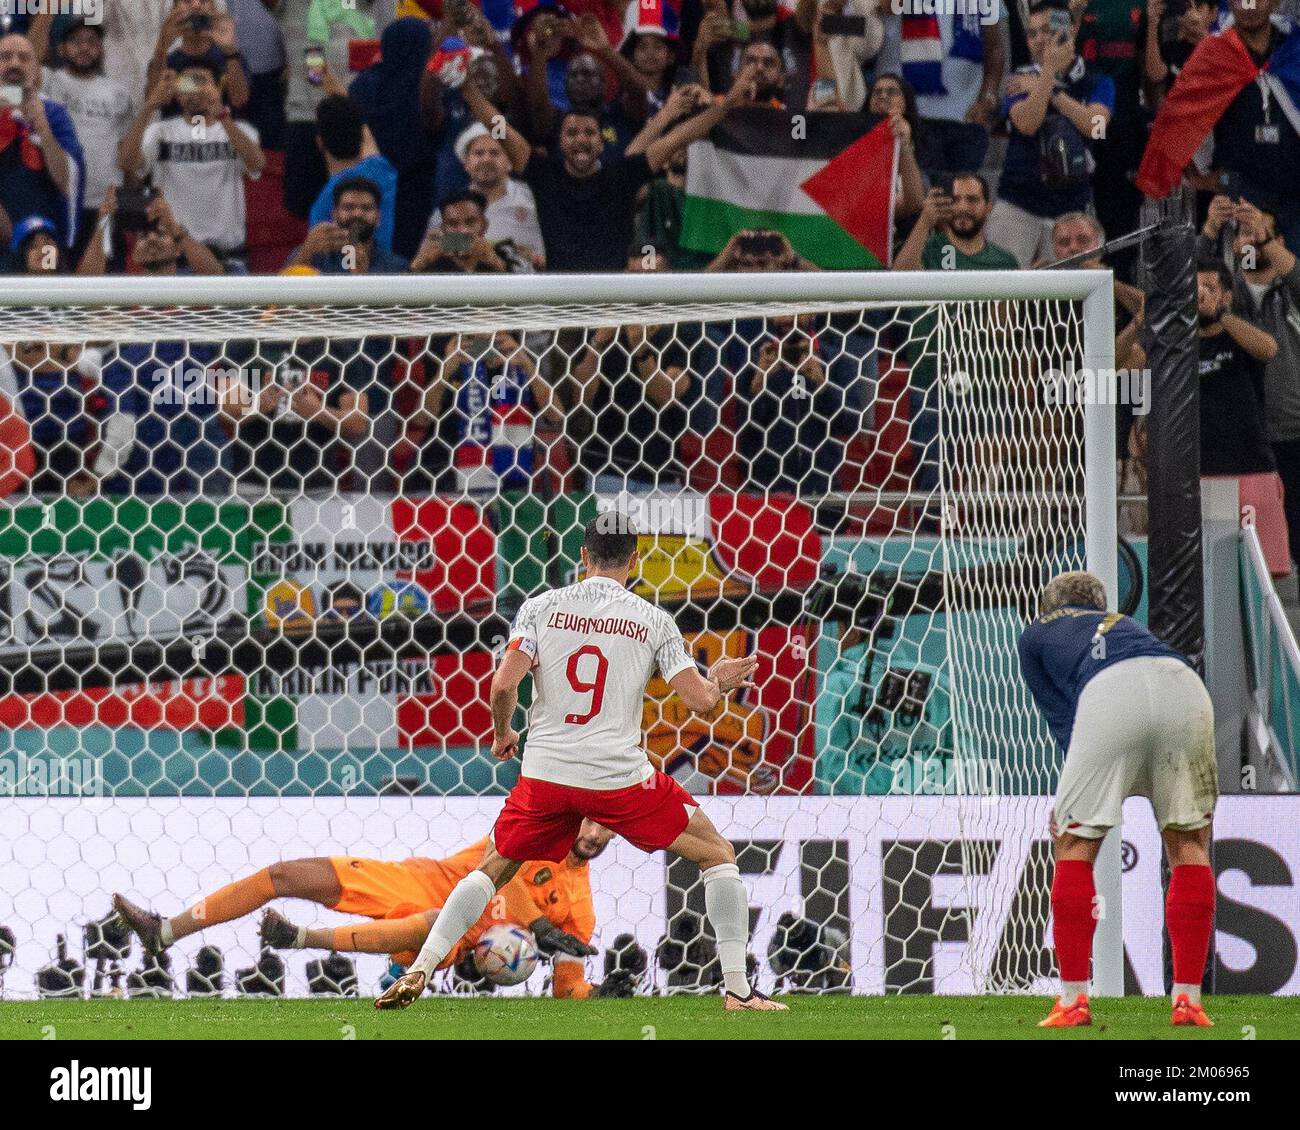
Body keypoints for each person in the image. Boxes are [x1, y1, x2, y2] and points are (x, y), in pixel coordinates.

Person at [374, 516, 786, 1012]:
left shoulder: (541, 607)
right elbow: (698, 701)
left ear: (583, 558)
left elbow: (503, 685)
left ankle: (419, 969)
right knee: (716, 854)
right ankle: (738, 991)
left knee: (491, 868)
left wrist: (504, 732)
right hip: (618, 777)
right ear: (633, 562)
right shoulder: (654, 621)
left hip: (547, 775)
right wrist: (717, 679)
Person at [1019, 571, 1217, 1028]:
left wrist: (1069, 797)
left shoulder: (1036, 635)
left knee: (1076, 847)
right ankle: (1187, 999)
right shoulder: (1127, 626)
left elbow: (1063, 719)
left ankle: (1073, 1002)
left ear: (1049, 608)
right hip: (1184, 685)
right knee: (1189, 847)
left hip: (1108, 695)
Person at [112, 823, 608, 999]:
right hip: (418, 877)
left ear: (616, 829)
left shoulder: (580, 909)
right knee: (285, 875)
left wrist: (600, 994)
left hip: (457, 937)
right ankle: (165, 931)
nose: (592, 834)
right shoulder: (540, 823)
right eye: (590, 821)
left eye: (605, 828)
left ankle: (306, 939)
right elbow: (502, 862)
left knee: (438, 923)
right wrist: (538, 925)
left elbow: (568, 988)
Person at [457, 58, 759, 272]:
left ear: (602, 142)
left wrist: (728, 104)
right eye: (572, 133)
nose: (581, 140)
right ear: (560, 142)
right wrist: (468, 90)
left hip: (615, 305)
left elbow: (679, 138)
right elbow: (500, 128)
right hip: (558, 305)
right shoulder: (542, 173)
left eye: (589, 133)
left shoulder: (621, 175)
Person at [985, 0, 1114, 267]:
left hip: (1072, 209)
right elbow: (1027, 124)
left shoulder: (1098, 80)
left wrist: (1052, 91)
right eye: (1032, 34)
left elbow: (1097, 127)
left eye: (1047, 30)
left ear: (1072, 29)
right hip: (1018, 204)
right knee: (1003, 296)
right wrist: (1048, 74)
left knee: (1072, 299)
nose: (1040, 39)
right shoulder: (1019, 78)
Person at [119, 59, 265, 268]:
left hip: (228, 256)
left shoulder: (240, 130)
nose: (195, 91)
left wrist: (221, 114)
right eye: (188, 84)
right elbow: (127, 163)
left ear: (217, 87)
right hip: (175, 257)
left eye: (202, 83)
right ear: (177, 92)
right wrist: (150, 105)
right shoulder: (160, 132)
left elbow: (257, 164)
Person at [40, 19, 136, 267]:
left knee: (110, 290)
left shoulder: (119, 93)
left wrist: (127, 200)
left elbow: (128, 154)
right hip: (60, 202)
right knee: (58, 282)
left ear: (101, 49)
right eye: (76, 41)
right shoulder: (49, 83)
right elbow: (30, 52)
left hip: (105, 206)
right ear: (61, 49)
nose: (84, 48)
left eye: (92, 42)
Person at [0, 32, 85, 251]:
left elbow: (67, 181)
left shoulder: (54, 112)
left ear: (37, 70)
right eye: (5, 57)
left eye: (24, 57)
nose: (14, 64)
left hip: (42, 241)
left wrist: (44, 128)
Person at [307, 94, 398, 253]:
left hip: (361, 273)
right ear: (361, 137)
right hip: (402, 266)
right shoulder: (381, 168)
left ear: (319, 142)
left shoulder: (324, 204)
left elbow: (322, 257)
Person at [288, 176, 408, 273]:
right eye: (349, 207)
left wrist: (362, 279)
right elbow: (282, 298)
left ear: (378, 218)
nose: (357, 214)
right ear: (334, 214)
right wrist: (306, 253)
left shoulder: (395, 268)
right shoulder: (315, 257)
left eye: (366, 208)